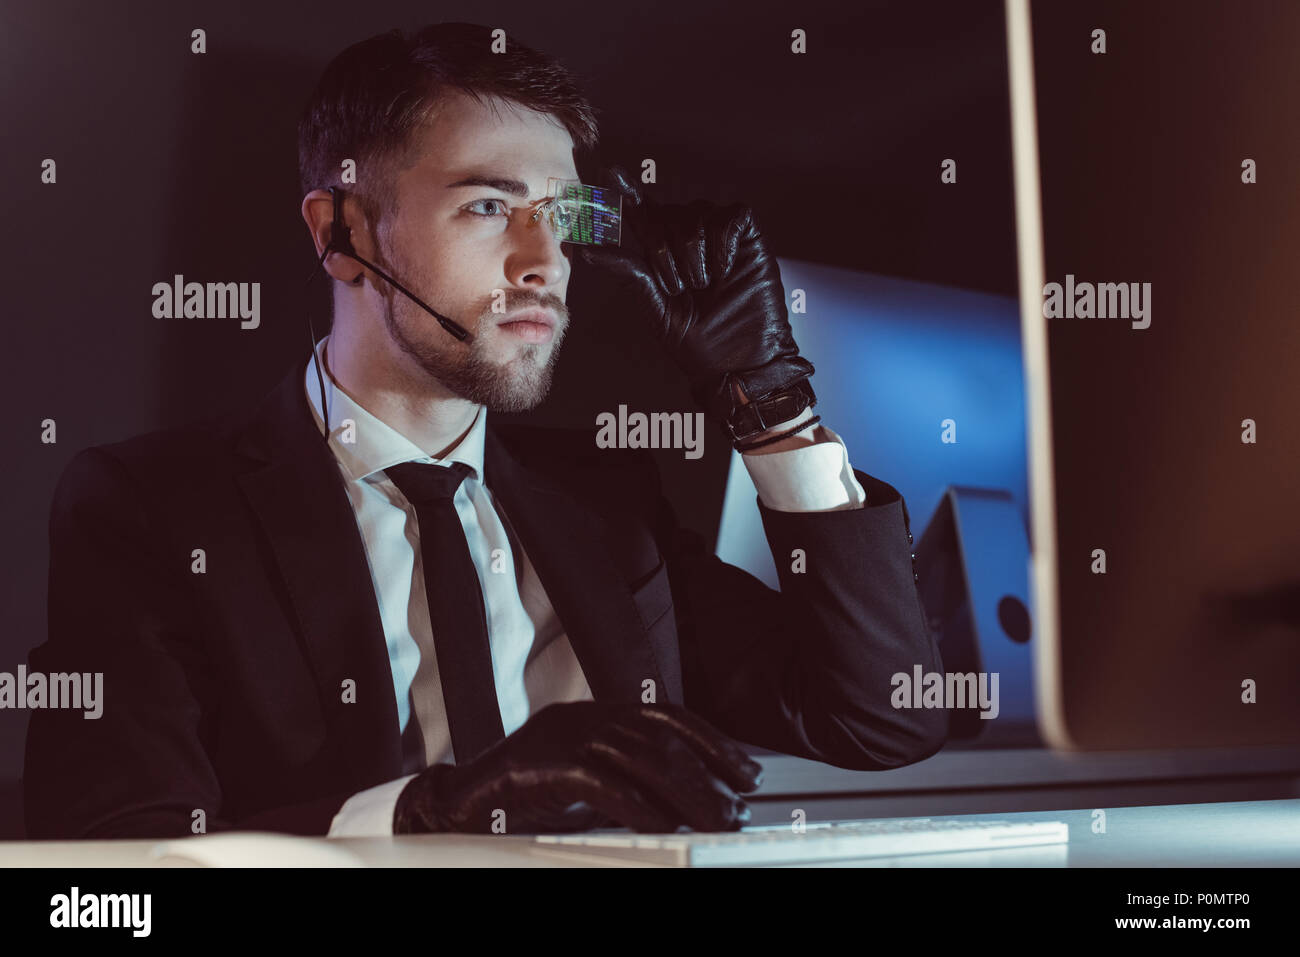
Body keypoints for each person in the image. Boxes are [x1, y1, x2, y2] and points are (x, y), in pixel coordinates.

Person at [23, 22, 945, 840]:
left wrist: (772, 398)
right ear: (343, 232)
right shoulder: (151, 511)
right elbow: (107, 880)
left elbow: (880, 717)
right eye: (489, 206)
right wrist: (428, 810)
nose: (545, 262)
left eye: (564, 216)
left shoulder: (603, 505)